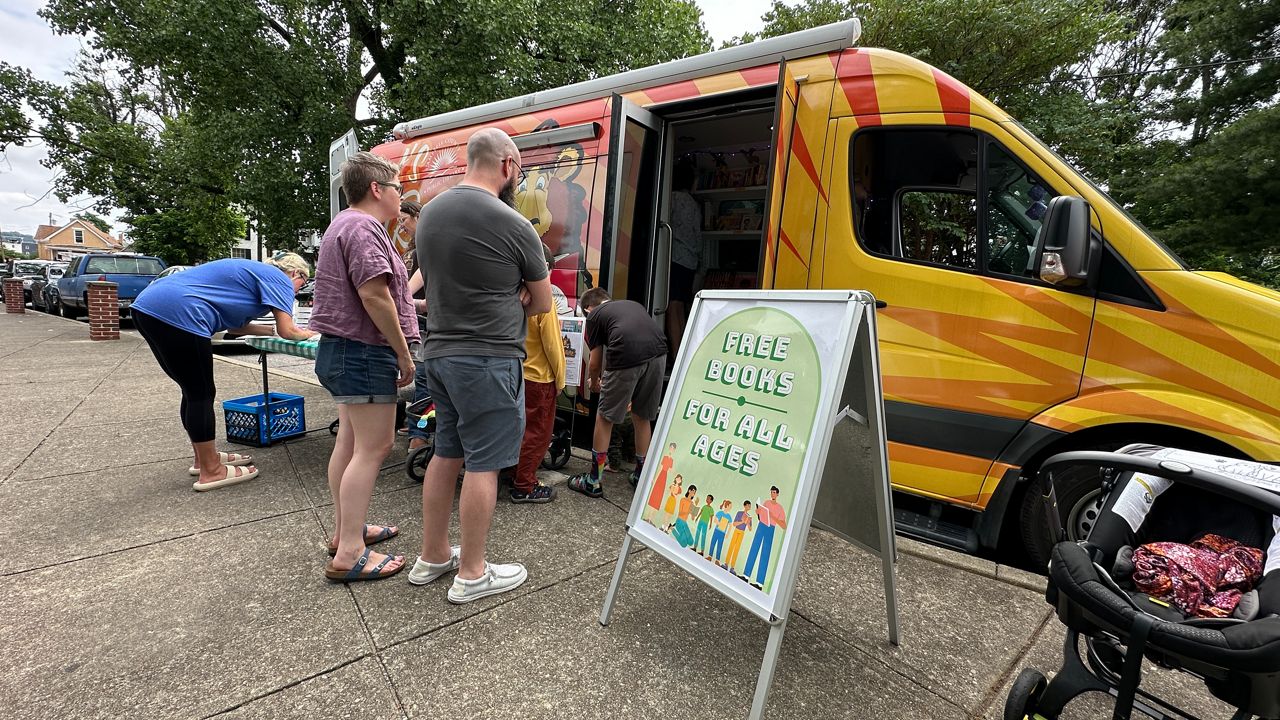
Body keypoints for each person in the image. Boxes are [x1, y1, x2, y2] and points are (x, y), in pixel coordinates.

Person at [413, 127, 552, 604]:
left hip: (440, 357)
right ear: (508, 166)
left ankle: (433, 554)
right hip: (490, 358)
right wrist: (513, 297)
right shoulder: (514, 224)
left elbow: (426, 289)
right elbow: (542, 304)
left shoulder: (429, 214)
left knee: (445, 453)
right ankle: (472, 572)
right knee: (485, 464)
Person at [310, 150, 419, 583]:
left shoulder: (343, 224)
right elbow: (375, 296)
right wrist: (403, 352)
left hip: (342, 350)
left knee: (351, 444)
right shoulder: (364, 227)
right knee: (374, 448)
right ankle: (351, 554)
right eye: (396, 188)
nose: (400, 197)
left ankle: (345, 532)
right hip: (363, 351)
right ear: (377, 189)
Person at [131, 253, 314, 491]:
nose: (299, 289)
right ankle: (212, 471)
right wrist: (312, 333)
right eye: (303, 281)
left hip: (148, 307)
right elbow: (289, 330)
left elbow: (236, 327)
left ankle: (204, 459)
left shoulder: (254, 274)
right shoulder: (278, 278)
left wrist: (270, 331)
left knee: (192, 391)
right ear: (295, 273)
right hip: (182, 312)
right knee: (201, 393)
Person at [565, 287, 667, 498]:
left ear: (588, 308)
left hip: (626, 355)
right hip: (659, 354)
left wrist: (594, 382)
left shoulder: (594, 316)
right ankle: (641, 475)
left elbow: (595, 361)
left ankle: (593, 480)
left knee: (605, 417)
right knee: (642, 416)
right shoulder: (631, 304)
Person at [511, 244, 566, 504]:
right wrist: (561, 379)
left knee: (516, 431)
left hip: (515, 373)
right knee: (538, 433)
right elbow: (553, 345)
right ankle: (525, 485)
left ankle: (512, 473)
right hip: (539, 377)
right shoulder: (545, 302)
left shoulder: (512, 293)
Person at [665, 161, 704, 361]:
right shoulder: (694, 203)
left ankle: (675, 353)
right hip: (689, 261)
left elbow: (664, 224)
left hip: (674, 257)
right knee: (680, 305)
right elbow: (698, 235)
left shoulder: (670, 198)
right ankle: (682, 350)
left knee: (672, 306)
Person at [743, 486, 789, 590]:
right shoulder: (766, 503)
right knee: (754, 548)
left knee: (765, 553)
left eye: (774, 492)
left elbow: (783, 525)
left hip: (770, 528)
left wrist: (773, 517)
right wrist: (758, 511)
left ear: (777, 494)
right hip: (762, 525)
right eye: (771, 492)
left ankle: (759, 583)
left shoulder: (780, 508)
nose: (772, 494)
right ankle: (746, 575)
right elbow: (761, 514)